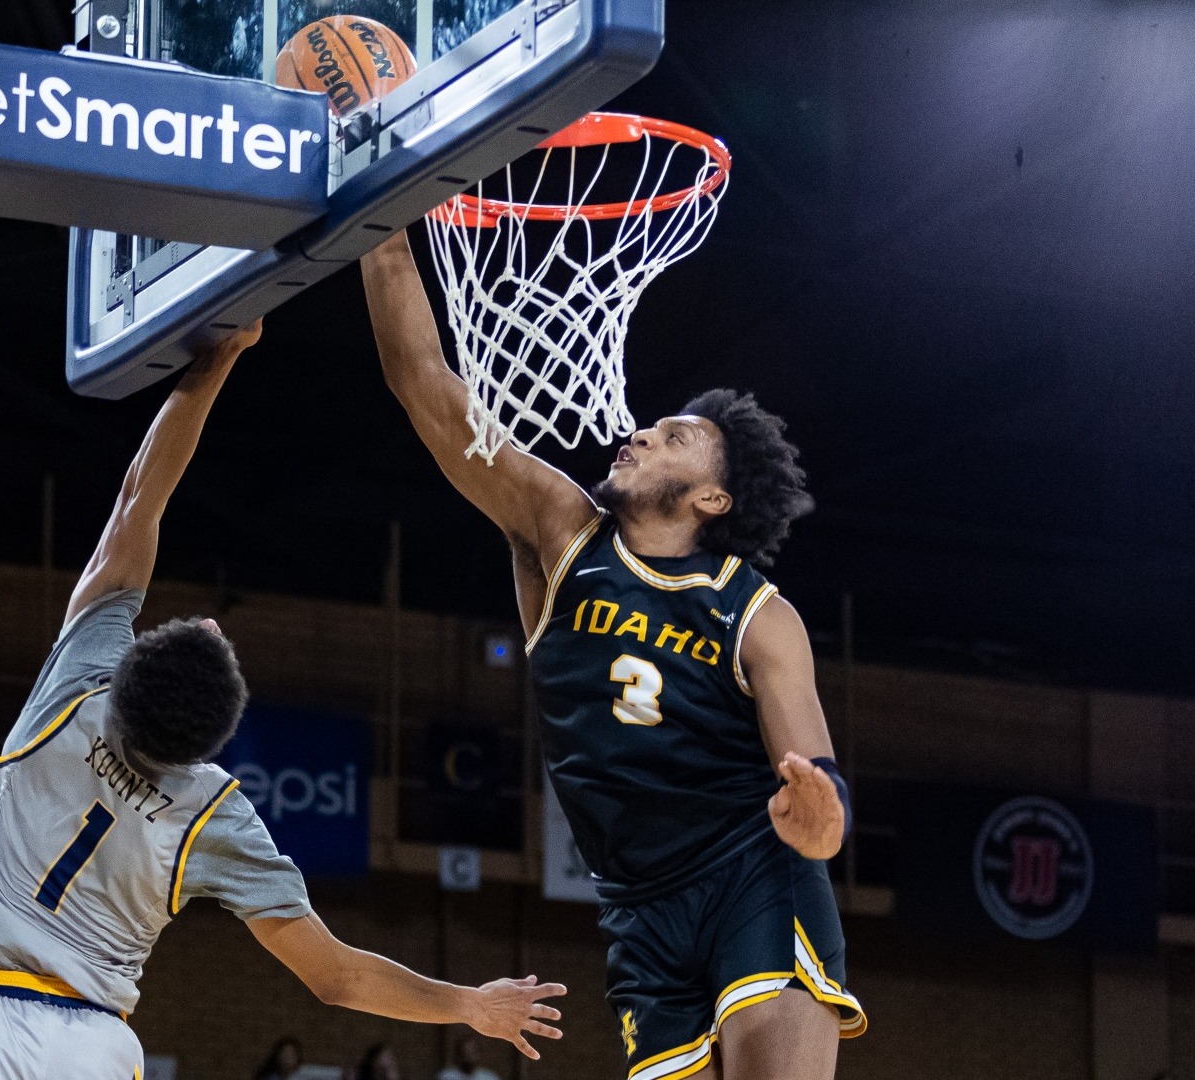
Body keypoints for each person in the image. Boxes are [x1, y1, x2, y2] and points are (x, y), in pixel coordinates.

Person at [0, 323, 567, 1080]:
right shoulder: (211, 807)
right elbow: (335, 976)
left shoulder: (74, 690)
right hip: (94, 1047)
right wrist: (468, 1006)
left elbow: (137, 503)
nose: (211, 620)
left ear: (128, 670)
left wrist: (214, 363)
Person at [362, 233, 866, 1080]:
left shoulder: (755, 613)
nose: (639, 434)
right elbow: (424, 385)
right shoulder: (559, 536)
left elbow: (813, 774)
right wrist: (378, 227)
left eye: (672, 438)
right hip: (636, 909)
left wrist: (821, 822)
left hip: (750, 873)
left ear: (711, 497)